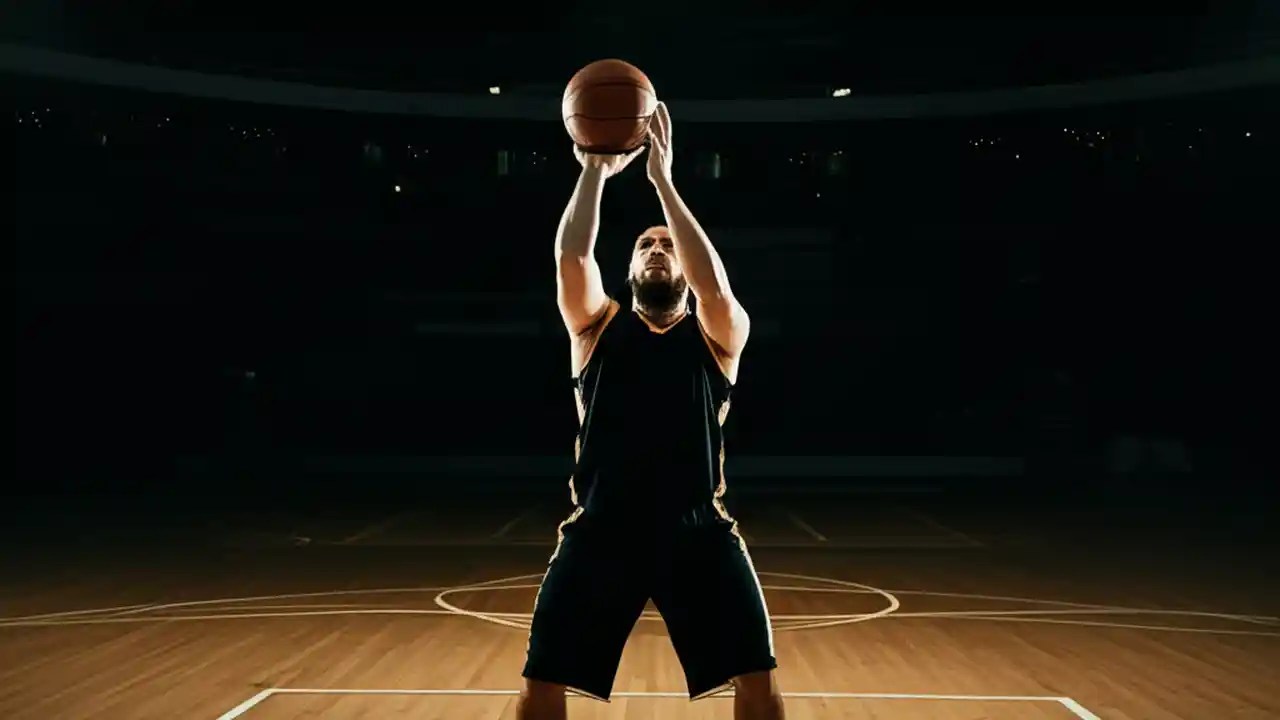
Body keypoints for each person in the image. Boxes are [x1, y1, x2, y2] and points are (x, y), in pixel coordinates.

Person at [518, 102, 786, 720]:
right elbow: (571, 260)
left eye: (667, 244)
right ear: (630, 267)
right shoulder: (595, 326)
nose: (657, 248)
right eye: (645, 244)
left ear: (685, 270)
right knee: (542, 681)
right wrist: (594, 171)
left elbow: (715, 286)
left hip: (698, 531)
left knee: (757, 679)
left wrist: (663, 182)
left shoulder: (719, 333)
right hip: (601, 529)